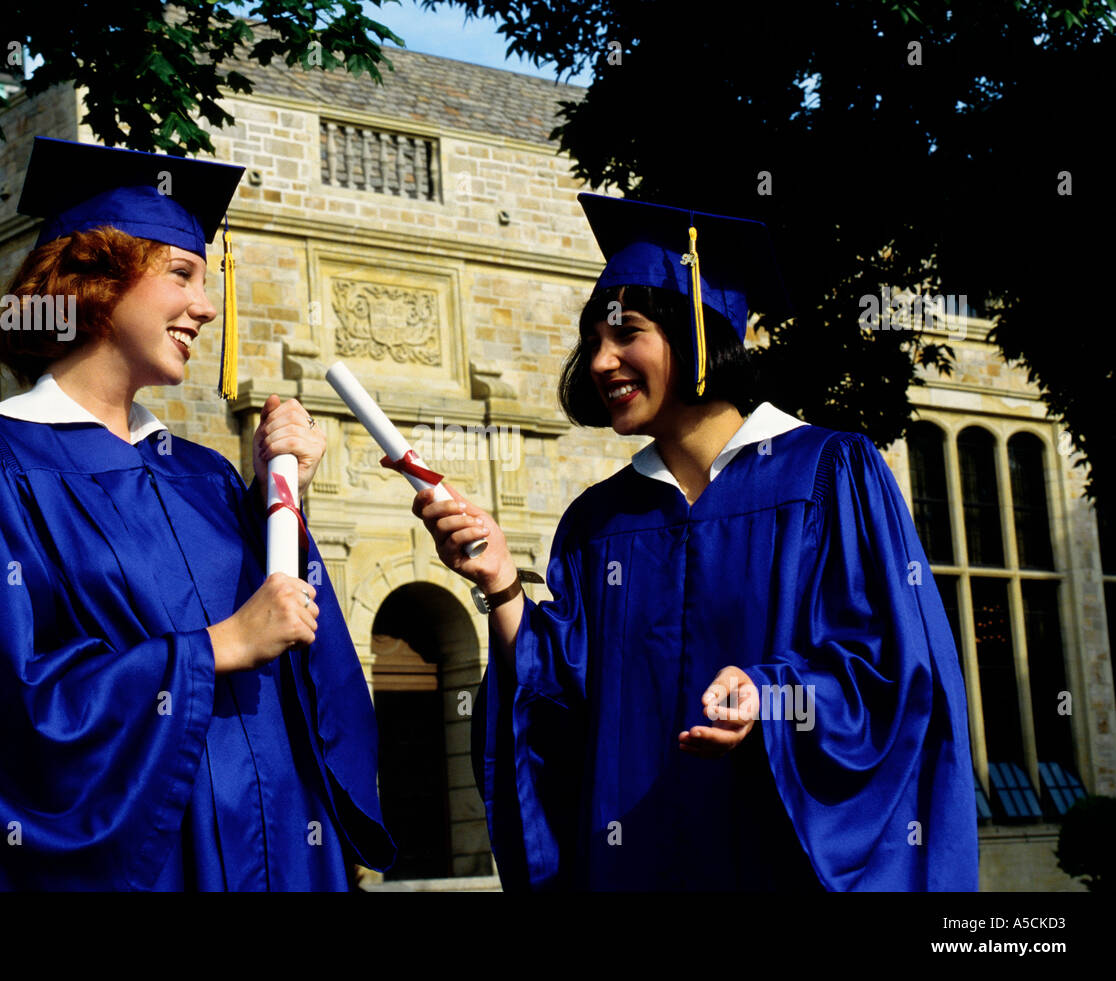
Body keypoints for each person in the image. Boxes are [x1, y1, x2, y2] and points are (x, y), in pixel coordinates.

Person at [415, 193, 978, 891]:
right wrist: (501, 584)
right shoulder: (600, 523)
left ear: (701, 333)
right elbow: (557, 712)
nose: (599, 360)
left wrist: (772, 696)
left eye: (627, 334)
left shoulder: (829, 475)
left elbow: (891, 680)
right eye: (593, 340)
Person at [0, 137, 394, 890]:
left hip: (289, 849)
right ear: (95, 278)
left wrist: (278, 506)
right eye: (181, 274)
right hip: (153, 862)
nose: (206, 305)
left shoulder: (207, 475)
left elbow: (296, 653)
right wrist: (215, 647)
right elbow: (2, 702)